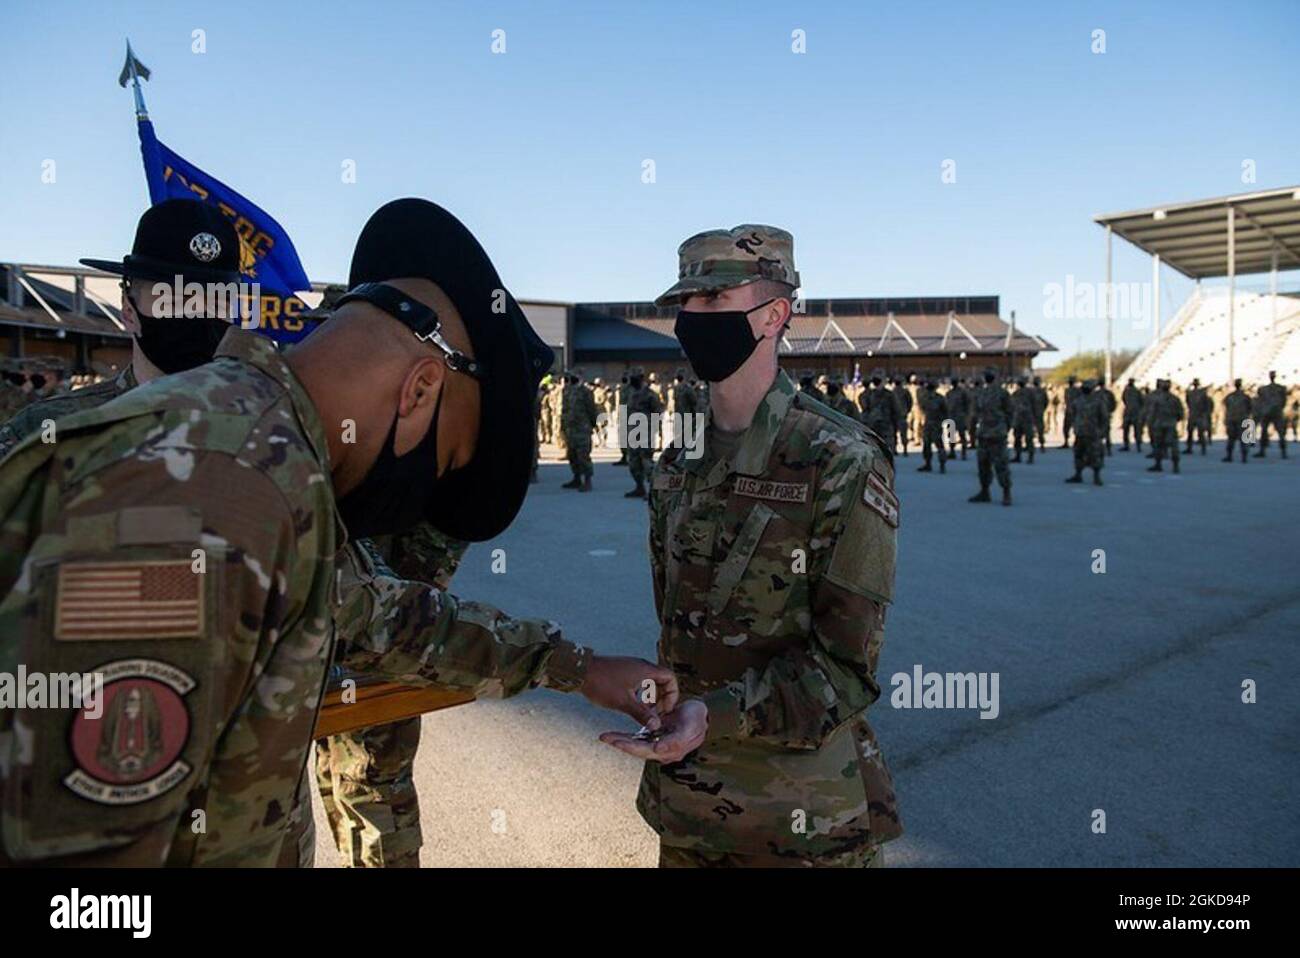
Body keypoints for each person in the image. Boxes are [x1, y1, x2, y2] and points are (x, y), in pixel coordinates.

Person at [0, 198, 702, 866]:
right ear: (420, 389)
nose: (421, 488)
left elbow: (385, 617)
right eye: (445, 458)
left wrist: (579, 669)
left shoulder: (271, 463)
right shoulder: (210, 484)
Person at [626, 223, 900, 869]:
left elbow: (846, 670)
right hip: (688, 805)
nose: (694, 319)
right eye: (685, 304)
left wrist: (711, 714)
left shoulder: (839, 459)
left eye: (716, 302)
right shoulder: (679, 457)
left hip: (800, 819)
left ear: (774, 314)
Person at [968, 368, 1013, 505]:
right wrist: (973, 432)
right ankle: (984, 491)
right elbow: (974, 414)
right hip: (983, 434)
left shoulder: (1002, 393)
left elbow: (1010, 412)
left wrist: (1004, 428)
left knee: (1001, 465)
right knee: (983, 465)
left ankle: (1006, 493)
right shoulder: (980, 393)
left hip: (997, 434)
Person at [624, 366, 662, 497]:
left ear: (640, 378)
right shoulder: (630, 392)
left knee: (647, 462)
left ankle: (655, 490)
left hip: (645, 431)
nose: (631, 381)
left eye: (634, 378)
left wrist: (654, 429)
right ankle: (639, 487)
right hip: (632, 432)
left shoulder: (650, 394)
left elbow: (658, 412)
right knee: (633, 462)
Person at [561, 370, 598, 491]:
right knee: (572, 455)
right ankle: (576, 478)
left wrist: (593, 423)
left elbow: (591, 409)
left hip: (582, 427)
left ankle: (587, 480)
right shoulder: (566, 391)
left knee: (583, 455)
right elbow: (564, 409)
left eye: (573, 376)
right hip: (570, 428)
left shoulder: (586, 392)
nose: (570, 379)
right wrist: (563, 425)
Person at [1065, 378, 1106, 485]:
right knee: (1079, 453)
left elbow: (1104, 417)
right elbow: (1072, 414)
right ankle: (1079, 474)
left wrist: (1102, 430)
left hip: (1092, 432)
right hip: (1082, 432)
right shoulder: (1079, 401)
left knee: (1095, 454)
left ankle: (1096, 476)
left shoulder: (1097, 401)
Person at [1146, 378, 1183, 473]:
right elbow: (1180, 413)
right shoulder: (1175, 399)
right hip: (1171, 424)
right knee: (1174, 445)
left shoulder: (1157, 399)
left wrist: (1151, 423)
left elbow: (1152, 412)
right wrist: (1174, 420)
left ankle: (1158, 464)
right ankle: (1175, 466)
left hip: (1159, 424)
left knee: (1158, 445)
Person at [1253, 371, 1287, 459]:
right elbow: (1284, 401)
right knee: (1281, 433)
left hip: (1266, 412)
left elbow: (1260, 400)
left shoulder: (1263, 389)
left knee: (1264, 432)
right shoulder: (1281, 388)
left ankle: (1262, 451)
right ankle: (1283, 452)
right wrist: (1279, 407)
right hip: (1277, 412)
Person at [917, 378, 948, 473]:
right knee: (926, 445)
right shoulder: (925, 397)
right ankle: (928, 464)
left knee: (939, 445)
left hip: (936, 424)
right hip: (928, 424)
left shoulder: (939, 398)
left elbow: (945, 411)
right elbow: (921, 408)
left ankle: (942, 464)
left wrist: (942, 420)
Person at [1010, 377, 1036, 464]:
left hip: (1027, 418)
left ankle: (1030, 457)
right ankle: (1018, 456)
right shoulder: (1016, 393)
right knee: (1018, 438)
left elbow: (1037, 404)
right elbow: (1011, 406)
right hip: (1018, 419)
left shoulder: (1030, 393)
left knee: (1028, 438)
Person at [944, 376, 970, 459]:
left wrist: (966, 414)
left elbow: (967, 403)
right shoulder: (949, 393)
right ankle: (952, 452)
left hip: (960, 416)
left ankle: (964, 452)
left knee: (962, 435)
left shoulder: (963, 393)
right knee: (951, 435)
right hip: (951, 416)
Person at [1121, 378, 1144, 451]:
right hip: (1135, 412)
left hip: (1129, 411)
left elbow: (1123, 399)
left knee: (1126, 430)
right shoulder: (1137, 391)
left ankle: (1127, 445)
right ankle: (1138, 445)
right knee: (1136, 430)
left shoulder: (1126, 391)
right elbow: (1142, 401)